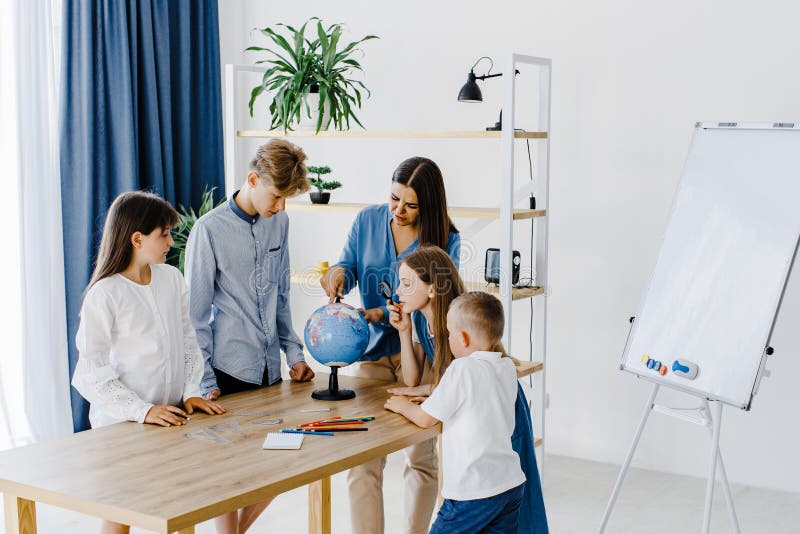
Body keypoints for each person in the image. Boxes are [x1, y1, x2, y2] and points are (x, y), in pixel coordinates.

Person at [319, 157, 460, 534]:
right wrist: (337, 275)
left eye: (410, 205)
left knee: (422, 455)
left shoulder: (446, 237)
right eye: (394, 198)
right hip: (372, 354)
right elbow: (346, 268)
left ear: (427, 206)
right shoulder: (367, 221)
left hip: (423, 356)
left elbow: (441, 299)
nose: (398, 211)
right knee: (361, 457)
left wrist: (387, 314)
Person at [72, 191, 225, 534]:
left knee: (178, 502)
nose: (172, 241)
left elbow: (186, 339)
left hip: (170, 416)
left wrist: (190, 390)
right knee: (122, 507)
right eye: (165, 234)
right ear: (137, 239)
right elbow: (90, 371)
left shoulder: (171, 278)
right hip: (123, 423)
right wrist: (142, 410)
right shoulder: (105, 293)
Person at [185, 139, 315, 534]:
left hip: (270, 372)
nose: (280, 206)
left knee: (278, 465)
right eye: (276, 196)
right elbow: (195, 315)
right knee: (229, 477)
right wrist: (204, 380)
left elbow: (281, 294)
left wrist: (294, 353)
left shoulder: (281, 222)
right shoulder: (209, 231)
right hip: (227, 372)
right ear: (253, 178)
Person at [388, 245, 550, 534]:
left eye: (407, 283)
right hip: (480, 413)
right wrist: (404, 331)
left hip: (493, 411)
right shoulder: (429, 324)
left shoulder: (454, 327)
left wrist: (426, 394)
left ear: (432, 289)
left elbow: (453, 382)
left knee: (502, 490)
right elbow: (413, 380)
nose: (398, 291)